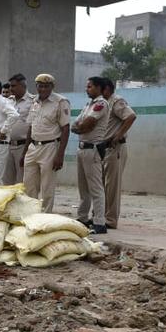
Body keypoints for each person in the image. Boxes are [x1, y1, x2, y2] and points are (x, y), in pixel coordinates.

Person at [22, 73, 71, 213]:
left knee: (47, 186)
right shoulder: (34, 101)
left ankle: (45, 216)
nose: (43, 89)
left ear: (52, 87)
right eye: (40, 86)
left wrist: (60, 155)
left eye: (46, 86)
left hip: (50, 147)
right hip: (33, 147)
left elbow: (65, 128)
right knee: (29, 185)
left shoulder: (61, 102)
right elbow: (31, 127)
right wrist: (25, 152)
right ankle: (30, 214)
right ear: (36, 86)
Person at [72, 76, 111, 234]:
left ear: (99, 88)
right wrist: (81, 127)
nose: (87, 89)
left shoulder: (101, 104)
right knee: (83, 188)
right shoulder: (88, 105)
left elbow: (87, 124)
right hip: (82, 148)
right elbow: (75, 125)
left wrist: (82, 127)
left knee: (95, 187)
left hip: (93, 148)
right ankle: (82, 217)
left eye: (90, 86)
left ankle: (99, 222)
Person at [100, 78, 137, 231]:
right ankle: (100, 216)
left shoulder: (116, 101)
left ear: (106, 89)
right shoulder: (102, 104)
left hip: (114, 148)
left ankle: (110, 219)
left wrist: (118, 135)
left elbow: (130, 116)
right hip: (102, 149)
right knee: (101, 185)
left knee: (112, 186)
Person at [4, 74, 37, 185]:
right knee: (7, 181)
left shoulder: (33, 101)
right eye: (10, 86)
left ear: (23, 86)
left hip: (23, 146)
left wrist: (26, 149)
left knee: (22, 181)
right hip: (8, 145)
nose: (11, 89)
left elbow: (33, 125)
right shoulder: (9, 101)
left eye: (13, 86)